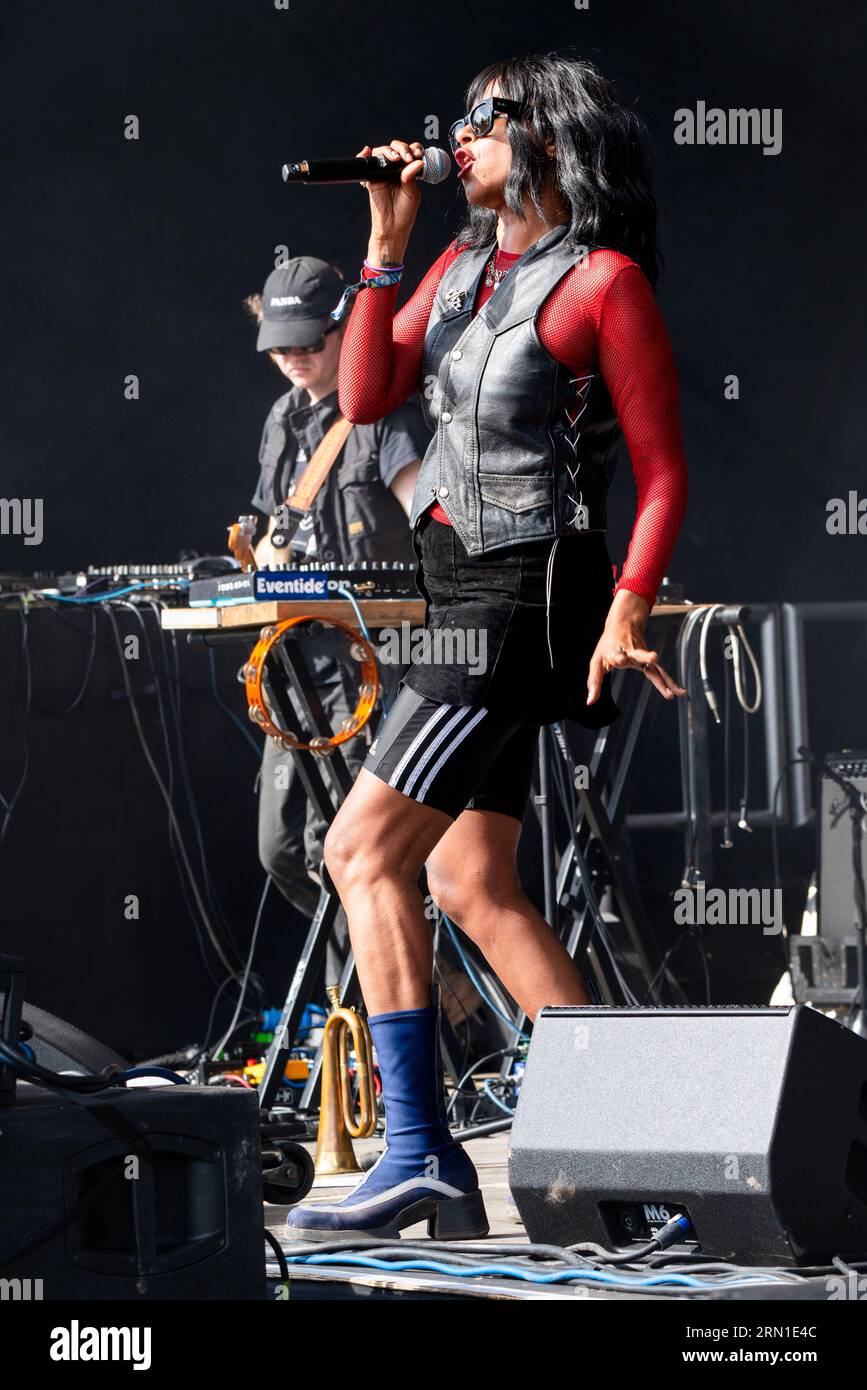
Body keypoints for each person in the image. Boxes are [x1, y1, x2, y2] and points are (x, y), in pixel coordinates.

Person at [286, 54, 688, 1241]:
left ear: (551, 140)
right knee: (470, 881)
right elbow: (363, 399)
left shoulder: (601, 282)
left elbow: (663, 470)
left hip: (523, 602)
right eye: (456, 119)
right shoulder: (460, 268)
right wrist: (386, 234)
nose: (460, 135)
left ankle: (419, 1154)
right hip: (458, 590)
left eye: (486, 119)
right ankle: (649, 1161)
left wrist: (629, 605)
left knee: (359, 850)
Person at [246, 257, 430, 986]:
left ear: (342, 331)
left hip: (371, 666)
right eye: (279, 346)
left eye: (308, 344)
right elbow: (267, 532)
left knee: (344, 850)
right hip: (295, 666)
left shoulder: (382, 412)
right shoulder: (279, 420)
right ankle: (427, 996)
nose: (292, 359)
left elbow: (426, 513)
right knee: (282, 851)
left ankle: (359, 1035)